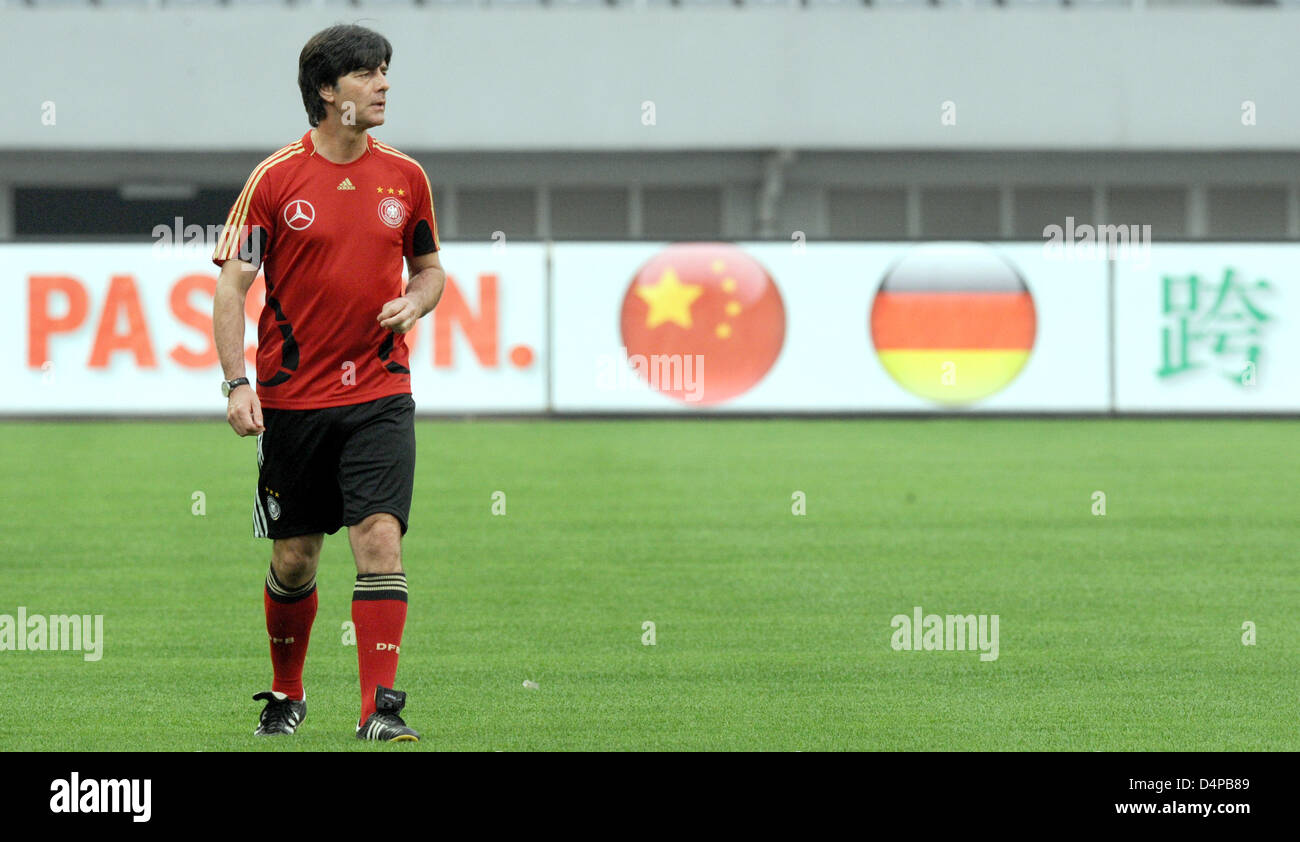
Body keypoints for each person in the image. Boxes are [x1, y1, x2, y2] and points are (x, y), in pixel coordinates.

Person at [210, 24, 445, 742]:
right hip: (293, 400)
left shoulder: (406, 177)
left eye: (385, 73)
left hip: (380, 391)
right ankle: (286, 693)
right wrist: (235, 383)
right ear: (326, 90)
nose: (383, 86)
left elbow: (430, 268)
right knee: (295, 556)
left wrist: (417, 299)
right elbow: (233, 287)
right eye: (369, 75)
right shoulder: (276, 180)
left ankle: (380, 711)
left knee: (379, 539)